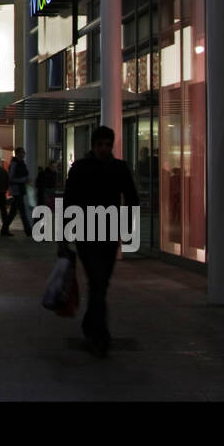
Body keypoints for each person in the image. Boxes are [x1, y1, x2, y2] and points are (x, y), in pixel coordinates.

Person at [62, 126, 139, 357]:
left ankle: (90, 326)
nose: (104, 149)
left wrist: (127, 229)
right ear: (93, 146)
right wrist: (65, 236)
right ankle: (100, 335)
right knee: (97, 281)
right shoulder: (81, 168)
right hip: (87, 233)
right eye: (100, 145)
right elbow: (69, 201)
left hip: (109, 233)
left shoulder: (119, 168)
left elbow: (132, 198)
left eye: (107, 145)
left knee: (101, 284)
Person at [2, 147, 31, 236]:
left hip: (19, 190)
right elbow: (11, 179)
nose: (24, 154)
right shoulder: (15, 164)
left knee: (14, 211)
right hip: (17, 190)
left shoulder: (20, 163)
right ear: (18, 154)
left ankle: (5, 229)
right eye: (22, 153)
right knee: (21, 212)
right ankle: (28, 231)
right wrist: (23, 180)